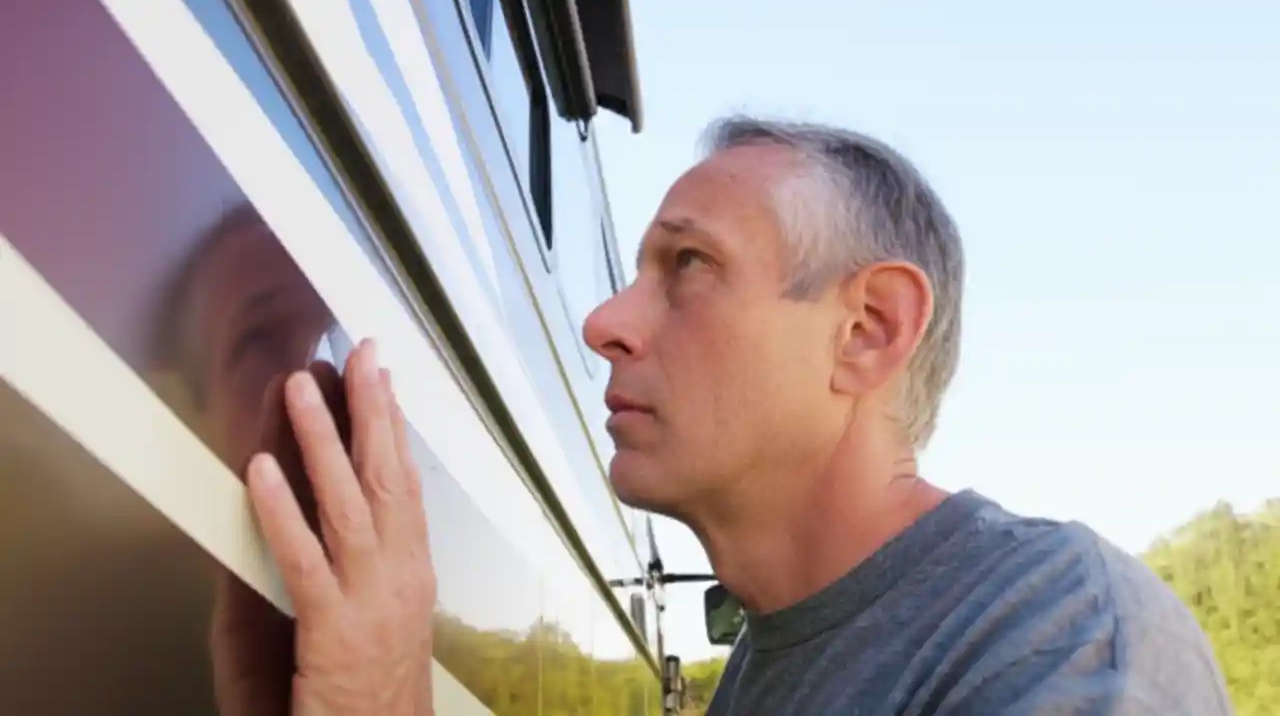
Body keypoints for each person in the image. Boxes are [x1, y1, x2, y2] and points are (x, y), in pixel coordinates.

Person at [247, 116, 1232, 714]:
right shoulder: (764, 669)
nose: (602, 323)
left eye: (687, 266)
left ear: (865, 331)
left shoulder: (1055, 638)